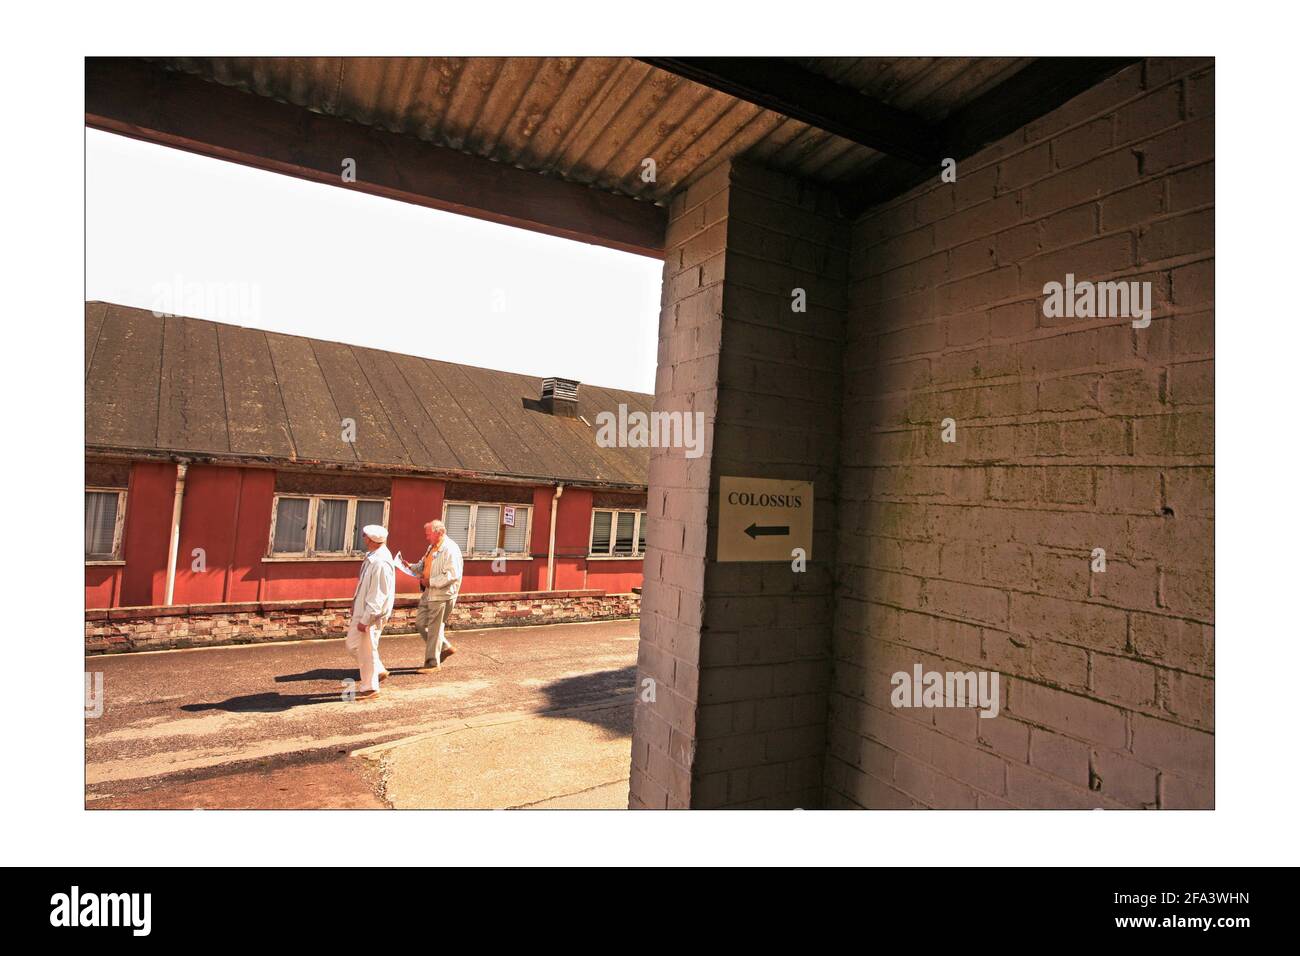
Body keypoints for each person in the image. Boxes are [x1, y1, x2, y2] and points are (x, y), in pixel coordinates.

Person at [398, 519, 463, 671]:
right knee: (420, 624)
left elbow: (453, 575)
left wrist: (431, 582)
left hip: (442, 594)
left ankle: (432, 663)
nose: (426, 537)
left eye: (428, 534)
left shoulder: (450, 549)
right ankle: (445, 647)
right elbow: (424, 565)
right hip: (429, 592)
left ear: (439, 533)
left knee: (434, 628)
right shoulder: (432, 547)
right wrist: (411, 566)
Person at [346, 524, 395, 701]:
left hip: (371, 615)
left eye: (366, 536)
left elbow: (378, 594)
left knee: (365, 649)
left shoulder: (380, 562)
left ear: (373, 540)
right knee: (354, 646)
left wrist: (366, 619)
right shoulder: (373, 557)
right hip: (363, 610)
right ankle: (379, 670)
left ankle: (370, 688)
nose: (364, 539)